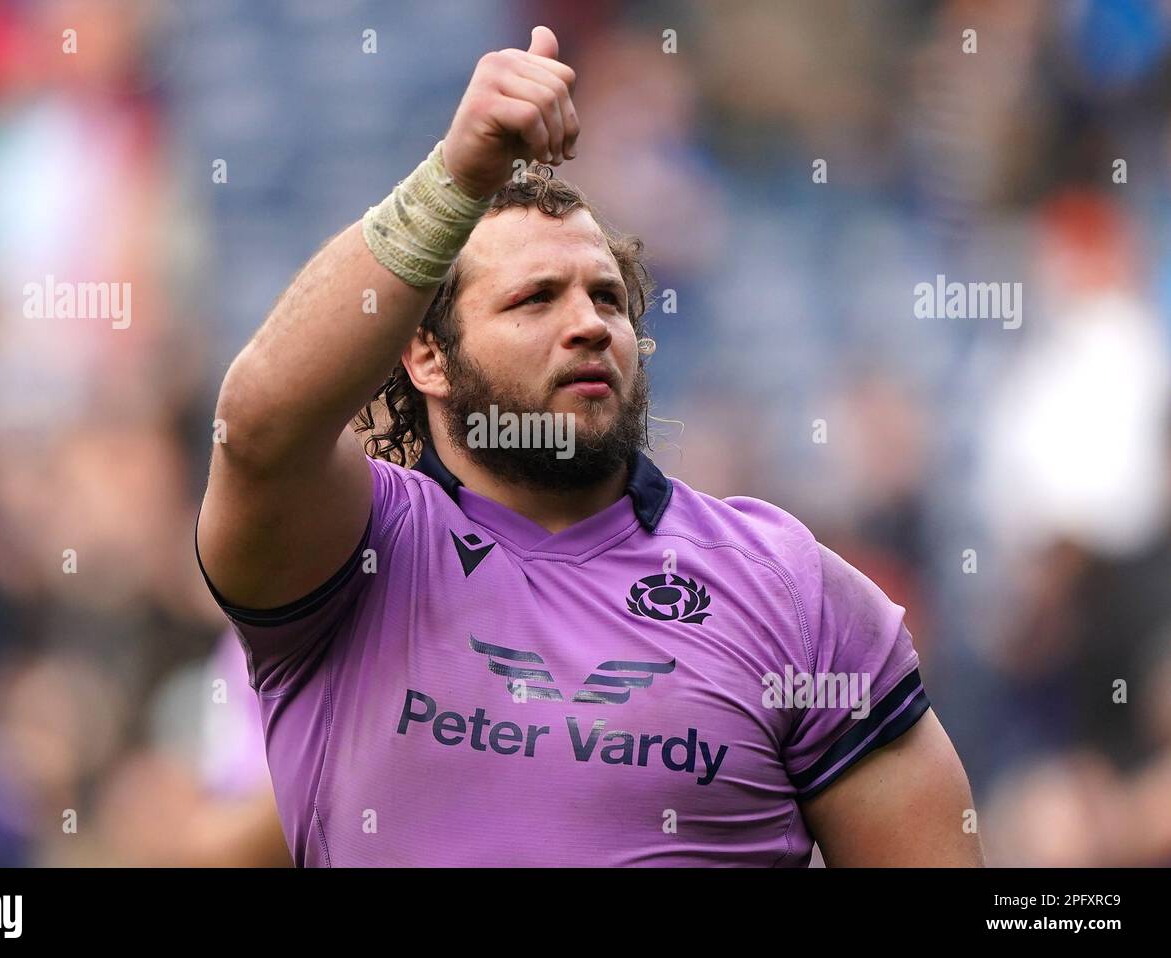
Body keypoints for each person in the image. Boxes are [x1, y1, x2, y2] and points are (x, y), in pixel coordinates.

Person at [195, 25, 983, 867]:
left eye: (608, 299)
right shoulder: (355, 557)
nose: (588, 326)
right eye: (535, 299)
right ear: (426, 355)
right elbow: (260, 429)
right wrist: (455, 179)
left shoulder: (792, 591)